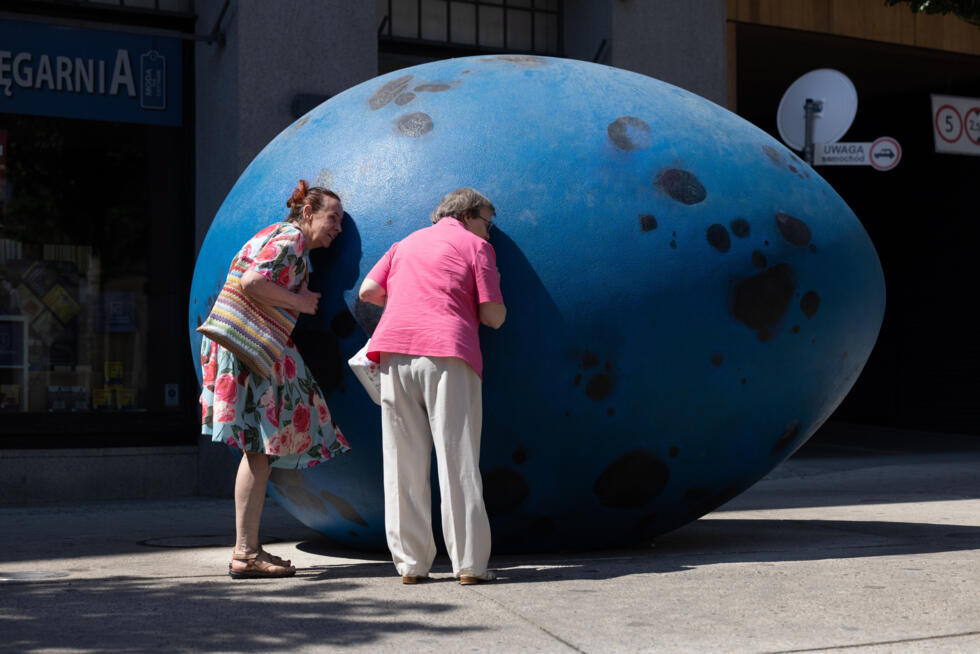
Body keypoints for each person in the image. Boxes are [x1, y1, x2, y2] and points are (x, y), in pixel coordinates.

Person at [199, 180, 350, 578]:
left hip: (248, 348)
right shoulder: (291, 238)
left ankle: (247, 552)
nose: (337, 227)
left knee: (259, 449)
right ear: (307, 213)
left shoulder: (280, 237)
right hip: (250, 348)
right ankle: (245, 553)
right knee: (259, 448)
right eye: (332, 218)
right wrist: (299, 301)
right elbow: (252, 282)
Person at [358, 187, 506, 586]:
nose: (489, 233)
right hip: (447, 352)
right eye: (488, 223)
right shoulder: (475, 246)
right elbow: (492, 316)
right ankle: (470, 565)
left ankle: (410, 564)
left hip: (392, 352)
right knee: (457, 458)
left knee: (401, 462)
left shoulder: (404, 244)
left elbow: (368, 292)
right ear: (470, 215)